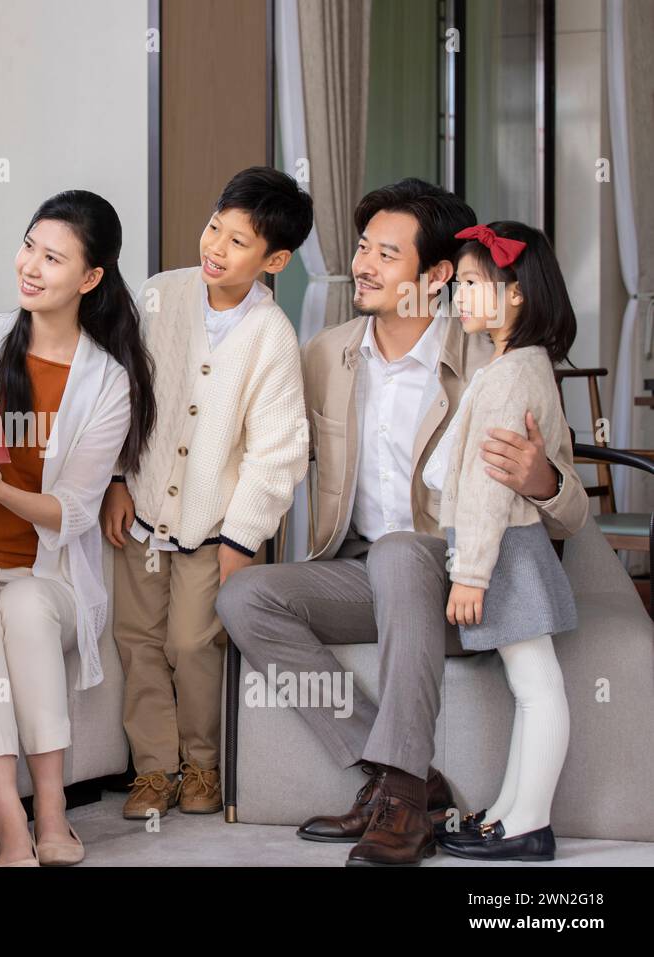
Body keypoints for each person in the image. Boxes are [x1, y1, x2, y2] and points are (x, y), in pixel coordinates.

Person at [217, 179, 589, 866]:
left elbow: (571, 511)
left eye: (388, 254)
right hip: (364, 569)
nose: (363, 265)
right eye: (363, 248)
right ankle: (405, 780)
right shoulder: (325, 356)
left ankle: (401, 801)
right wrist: (232, 535)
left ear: (438, 274)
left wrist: (541, 476)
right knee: (245, 596)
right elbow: (273, 457)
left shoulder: (494, 357)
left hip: (458, 579)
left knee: (398, 551)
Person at [0, 190, 155, 866]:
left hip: (48, 573)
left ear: (91, 278)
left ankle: (52, 809)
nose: (31, 266)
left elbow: (73, 510)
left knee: (21, 603)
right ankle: (9, 819)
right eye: (28, 246)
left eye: (53, 257)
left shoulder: (106, 382)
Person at [99, 166, 311, 819]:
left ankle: (204, 764)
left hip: (213, 525)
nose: (216, 247)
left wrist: (243, 535)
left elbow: (277, 452)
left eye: (238, 241)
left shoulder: (272, 336)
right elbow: (119, 394)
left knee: (193, 643)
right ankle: (153, 770)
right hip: (141, 511)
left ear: (273, 259)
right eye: (215, 227)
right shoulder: (162, 294)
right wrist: (113, 478)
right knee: (137, 639)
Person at [424, 222, 578, 862]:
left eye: (470, 284)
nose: (458, 297)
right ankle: (512, 814)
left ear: (515, 293)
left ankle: (528, 824)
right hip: (504, 547)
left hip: (503, 549)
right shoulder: (510, 365)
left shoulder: (510, 375)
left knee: (538, 688)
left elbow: (491, 486)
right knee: (532, 686)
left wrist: (471, 573)